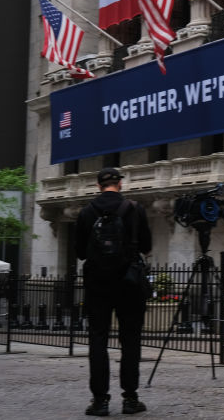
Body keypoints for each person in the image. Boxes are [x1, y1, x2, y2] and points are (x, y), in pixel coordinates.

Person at [75, 167, 152, 416]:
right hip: (129, 282)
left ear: (98, 186)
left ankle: (100, 401)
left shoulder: (86, 212)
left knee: (98, 339)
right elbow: (147, 245)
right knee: (130, 340)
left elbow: (79, 252)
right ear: (120, 184)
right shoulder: (134, 209)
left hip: (98, 283)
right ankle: (130, 398)